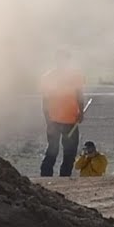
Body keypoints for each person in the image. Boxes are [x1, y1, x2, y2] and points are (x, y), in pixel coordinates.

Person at [39, 49, 85, 177]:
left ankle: (47, 175)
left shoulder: (48, 76)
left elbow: (45, 100)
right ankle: (62, 177)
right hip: (69, 120)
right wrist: (81, 113)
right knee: (68, 151)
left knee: (54, 149)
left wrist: (47, 120)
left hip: (58, 120)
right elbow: (79, 96)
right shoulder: (75, 76)